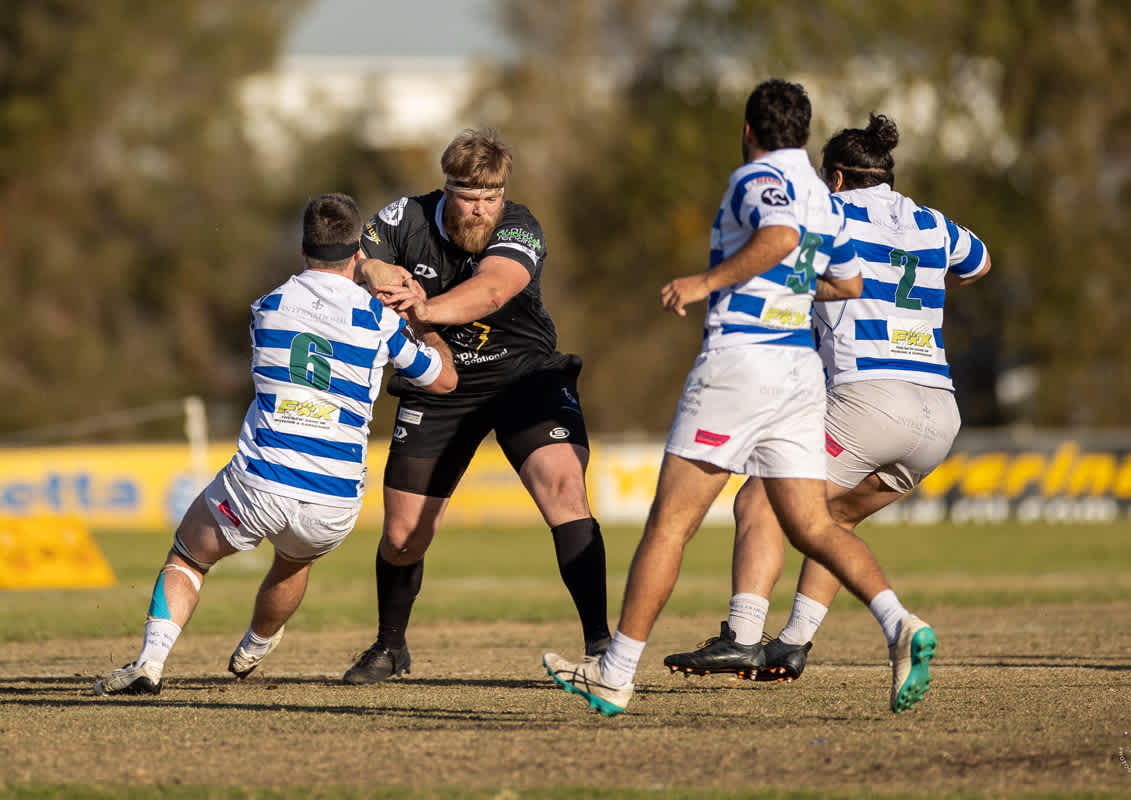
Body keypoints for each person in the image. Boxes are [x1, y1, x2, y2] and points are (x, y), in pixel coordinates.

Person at [542, 80, 937, 717]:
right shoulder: (824, 196)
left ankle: (614, 674)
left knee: (668, 527)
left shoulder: (755, 179)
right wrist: (789, 292)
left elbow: (779, 238)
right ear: (807, 135)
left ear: (749, 131)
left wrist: (705, 282)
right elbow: (849, 281)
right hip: (799, 374)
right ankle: (898, 624)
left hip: (740, 363)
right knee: (812, 525)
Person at [664, 113, 991, 684]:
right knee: (832, 519)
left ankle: (741, 637)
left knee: (759, 501)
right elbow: (980, 263)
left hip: (867, 397)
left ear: (834, 178)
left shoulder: (829, 211)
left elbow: (777, 256)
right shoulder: (934, 223)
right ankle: (792, 644)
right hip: (940, 413)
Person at [94, 194, 456, 695]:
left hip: (262, 478)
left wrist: (360, 271)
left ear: (303, 247)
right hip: (335, 497)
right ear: (359, 250)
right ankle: (256, 645)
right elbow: (443, 382)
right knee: (294, 561)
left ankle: (149, 664)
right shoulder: (380, 320)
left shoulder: (267, 307)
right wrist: (422, 321)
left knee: (188, 557)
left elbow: (318, 304)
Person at [341, 129, 612, 685]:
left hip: (524, 374)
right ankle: (390, 647)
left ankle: (602, 648)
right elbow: (354, 259)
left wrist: (425, 307)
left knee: (563, 487)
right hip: (439, 381)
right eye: (470, 198)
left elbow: (492, 290)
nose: (481, 210)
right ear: (447, 190)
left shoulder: (520, 225)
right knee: (402, 535)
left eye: (492, 199)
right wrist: (368, 270)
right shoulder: (403, 219)